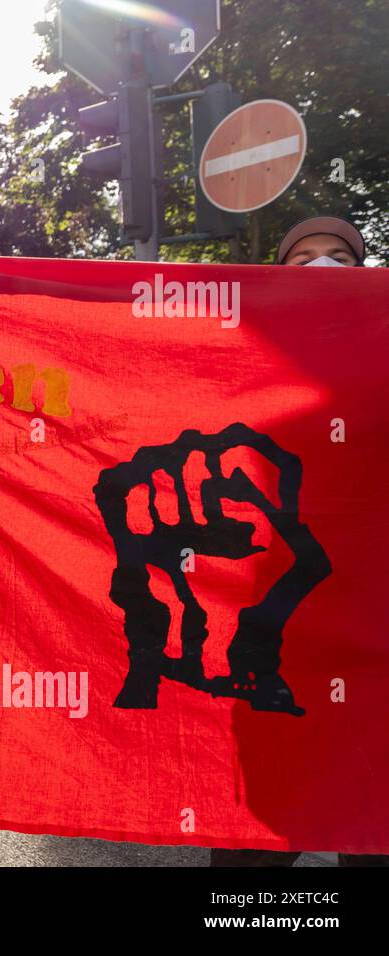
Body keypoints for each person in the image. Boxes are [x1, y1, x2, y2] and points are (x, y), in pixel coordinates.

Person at [209, 214, 384, 868]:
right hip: (282, 632)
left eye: (340, 255)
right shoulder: (244, 355)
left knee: (372, 832)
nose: (322, 266)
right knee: (259, 841)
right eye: (303, 257)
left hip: (376, 642)